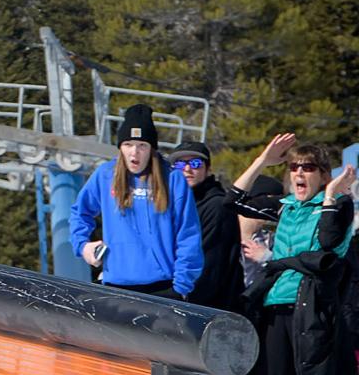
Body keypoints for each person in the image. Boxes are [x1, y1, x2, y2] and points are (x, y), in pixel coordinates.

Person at [230, 133, 356, 375]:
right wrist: (262, 161)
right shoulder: (286, 206)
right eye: (293, 167)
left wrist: (329, 195)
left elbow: (327, 243)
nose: (299, 172)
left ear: (323, 176)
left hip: (312, 309)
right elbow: (233, 200)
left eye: (308, 167)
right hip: (276, 304)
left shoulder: (339, 205)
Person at [70, 104, 203, 300]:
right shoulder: (105, 175)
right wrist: (82, 245)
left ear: (151, 149)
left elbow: (188, 234)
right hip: (116, 285)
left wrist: (181, 285)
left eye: (142, 145)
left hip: (163, 288)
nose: (135, 152)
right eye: (128, 144)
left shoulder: (173, 179)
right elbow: (79, 213)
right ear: (120, 147)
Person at [170, 140, 243, 310]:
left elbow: (209, 265)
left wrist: (178, 299)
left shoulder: (217, 206)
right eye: (180, 164)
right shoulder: (172, 204)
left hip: (206, 306)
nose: (187, 169)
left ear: (208, 169)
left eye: (195, 163)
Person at [236, 174, 283, 289]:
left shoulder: (273, 237)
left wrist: (266, 257)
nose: (272, 210)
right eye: (268, 202)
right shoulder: (225, 232)